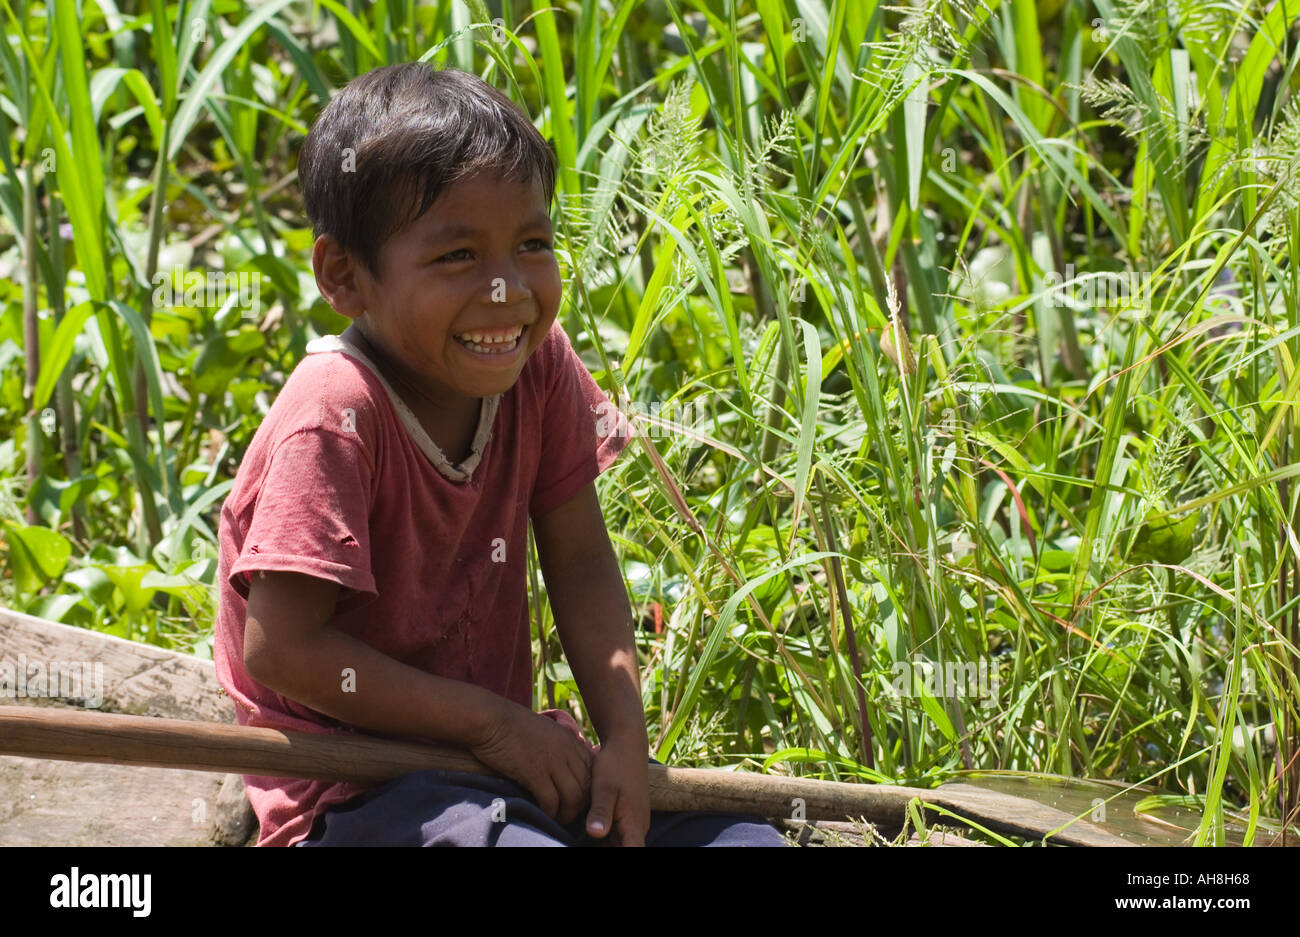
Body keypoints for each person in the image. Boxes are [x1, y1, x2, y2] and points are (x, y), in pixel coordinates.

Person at [213, 62, 788, 847]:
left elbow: (581, 563)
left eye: (532, 244)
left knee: (746, 842)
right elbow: (283, 649)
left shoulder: (537, 366)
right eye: (458, 256)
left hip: (508, 773)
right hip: (359, 796)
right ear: (344, 275)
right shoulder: (335, 416)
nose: (506, 290)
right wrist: (491, 723)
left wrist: (624, 736)